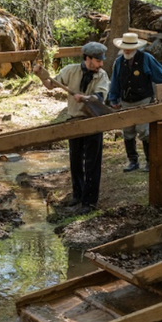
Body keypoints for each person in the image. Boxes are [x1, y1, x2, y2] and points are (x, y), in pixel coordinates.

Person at [37, 41, 111, 213]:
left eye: (101, 61)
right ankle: (77, 195)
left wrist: (85, 98)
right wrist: (41, 76)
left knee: (92, 163)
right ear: (88, 58)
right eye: (98, 60)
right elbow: (50, 85)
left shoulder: (102, 75)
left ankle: (90, 202)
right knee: (75, 161)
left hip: (93, 122)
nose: (101, 64)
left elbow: (100, 97)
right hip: (73, 122)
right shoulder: (70, 70)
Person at [107, 32, 162, 172]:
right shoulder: (119, 62)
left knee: (144, 132)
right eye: (125, 47)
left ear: (136, 48)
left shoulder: (147, 59)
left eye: (129, 48)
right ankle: (133, 161)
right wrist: (113, 99)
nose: (127, 50)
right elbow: (115, 82)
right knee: (127, 131)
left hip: (144, 100)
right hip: (125, 102)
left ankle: (150, 161)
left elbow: (161, 76)